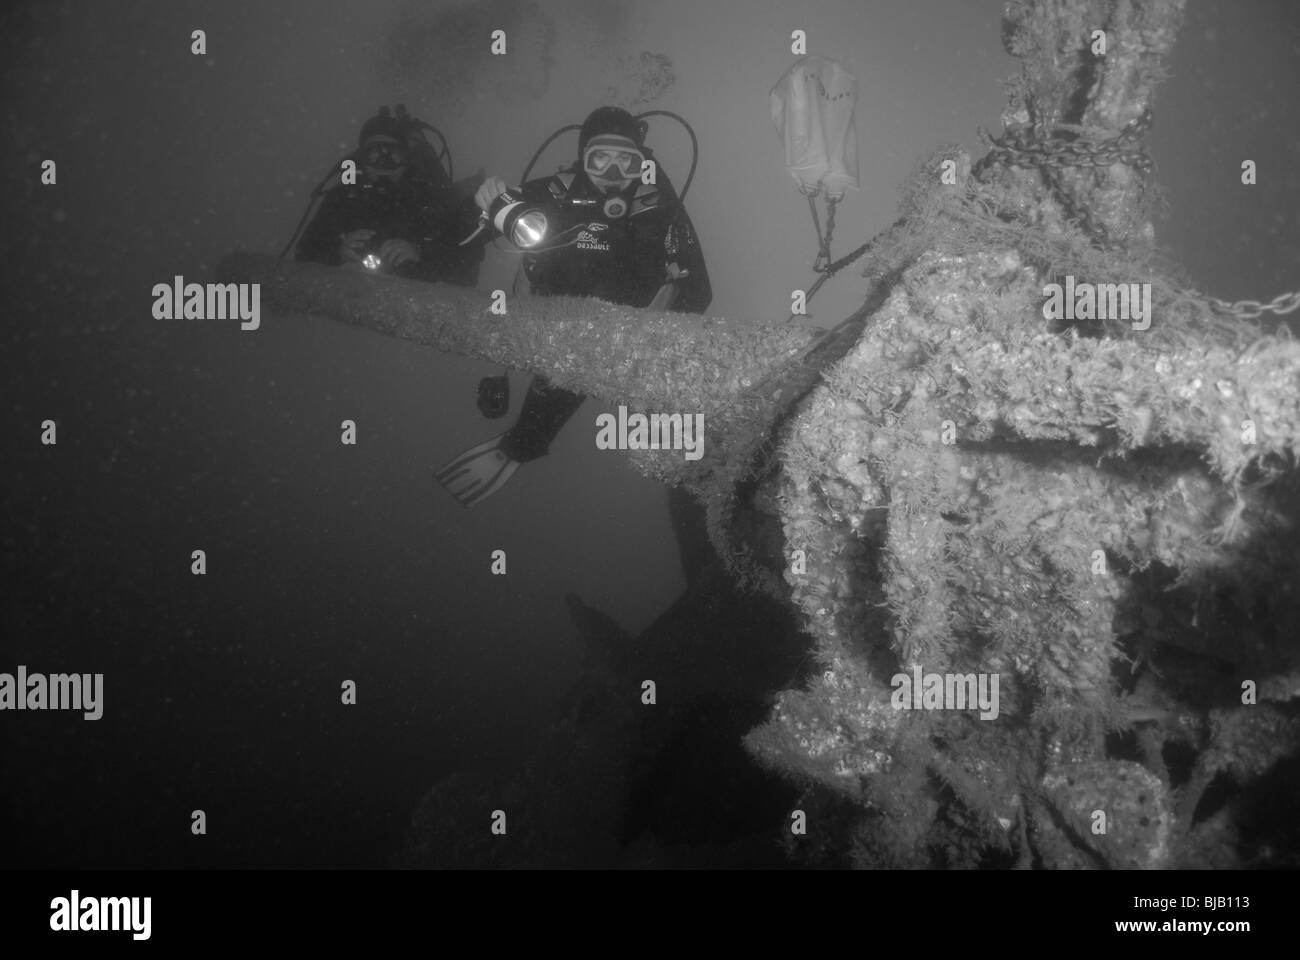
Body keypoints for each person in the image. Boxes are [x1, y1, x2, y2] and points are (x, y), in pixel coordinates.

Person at [435, 106, 712, 507]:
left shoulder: (660, 208)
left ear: (641, 163)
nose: (614, 174)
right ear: (583, 157)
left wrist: (637, 344)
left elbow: (698, 291)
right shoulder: (551, 194)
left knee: (565, 387)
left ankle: (526, 441)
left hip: (618, 338)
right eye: (600, 159)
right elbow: (454, 243)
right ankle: (517, 415)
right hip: (542, 318)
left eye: (627, 161)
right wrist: (484, 208)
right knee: (551, 375)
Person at [296, 106, 485, 286]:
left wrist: (421, 254)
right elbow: (303, 253)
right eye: (374, 154)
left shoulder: (429, 196)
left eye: (393, 154)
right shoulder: (343, 198)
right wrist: (337, 252)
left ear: (407, 159)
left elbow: (467, 271)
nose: (383, 163)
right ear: (361, 160)